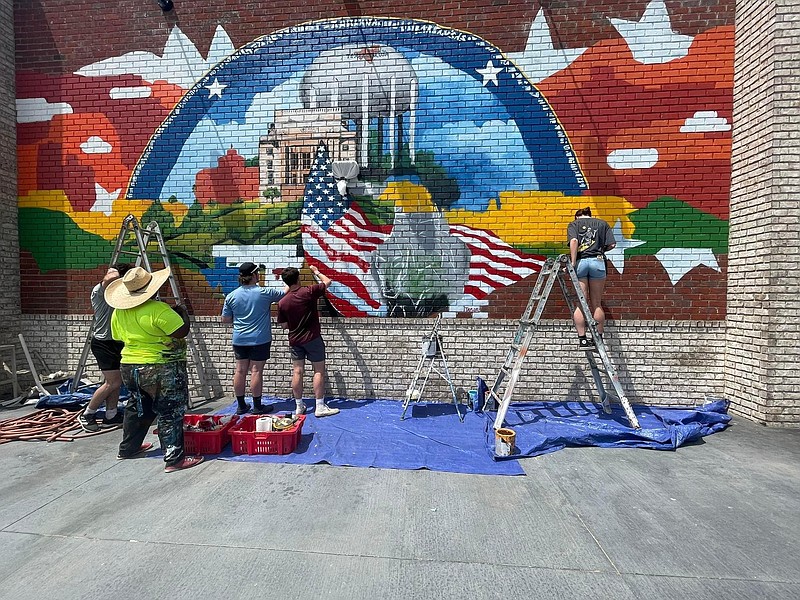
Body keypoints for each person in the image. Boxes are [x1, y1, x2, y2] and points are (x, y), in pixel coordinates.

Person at [105, 266, 203, 473]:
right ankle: (174, 459)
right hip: (160, 366)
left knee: (137, 406)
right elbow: (180, 332)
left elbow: (117, 337)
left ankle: (128, 448)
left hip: (130, 366)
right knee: (170, 410)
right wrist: (183, 314)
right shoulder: (158, 309)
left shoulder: (118, 312)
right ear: (152, 288)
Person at [221, 262, 284, 415]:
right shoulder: (265, 292)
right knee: (256, 371)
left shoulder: (231, 296)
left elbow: (226, 319)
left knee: (240, 370)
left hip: (239, 338)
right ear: (255, 275)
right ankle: (257, 406)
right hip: (259, 338)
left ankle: (241, 405)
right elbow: (286, 293)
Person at [277, 265, 339, 418]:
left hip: (295, 340)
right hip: (312, 338)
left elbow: (284, 325)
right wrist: (316, 271)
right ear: (298, 278)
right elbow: (327, 282)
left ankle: (299, 406)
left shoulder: (282, 303)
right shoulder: (309, 291)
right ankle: (319, 406)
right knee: (318, 371)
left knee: (297, 371)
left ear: (285, 282)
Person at [78, 263, 133, 433]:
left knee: (116, 382)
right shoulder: (100, 292)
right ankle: (88, 413)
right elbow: (109, 278)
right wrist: (118, 273)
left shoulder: (117, 295)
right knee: (112, 382)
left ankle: (111, 415)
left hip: (116, 341)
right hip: (103, 343)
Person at [567, 207, 616, 349]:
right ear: (589, 215)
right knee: (597, 303)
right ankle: (597, 339)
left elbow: (574, 241)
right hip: (598, 261)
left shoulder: (574, 224)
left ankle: (582, 339)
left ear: (577, 217)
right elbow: (612, 244)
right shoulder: (602, 223)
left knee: (581, 303)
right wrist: (601, 249)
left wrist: (573, 262)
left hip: (581, 262)